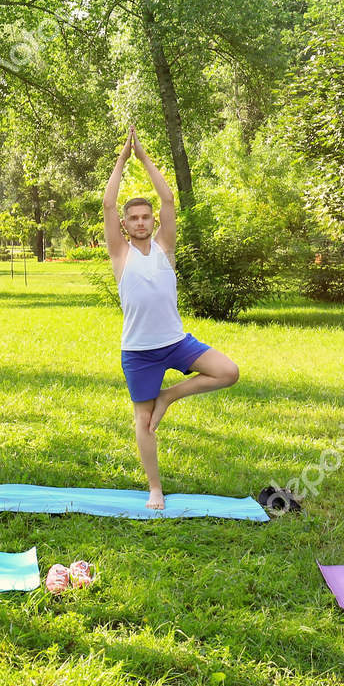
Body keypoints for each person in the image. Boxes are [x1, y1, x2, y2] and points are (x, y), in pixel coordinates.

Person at [103, 124, 239, 509]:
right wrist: (122, 158)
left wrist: (144, 158)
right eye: (136, 219)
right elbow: (109, 205)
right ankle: (155, 488)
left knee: (228, 372)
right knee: (143, 423)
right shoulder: (121, 254)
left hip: (177, 343)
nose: (143, 221)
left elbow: (168, 200)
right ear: (126, 226)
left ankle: (168, 397)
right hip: (139, 352)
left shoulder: (164, 247)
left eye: (147, 217)